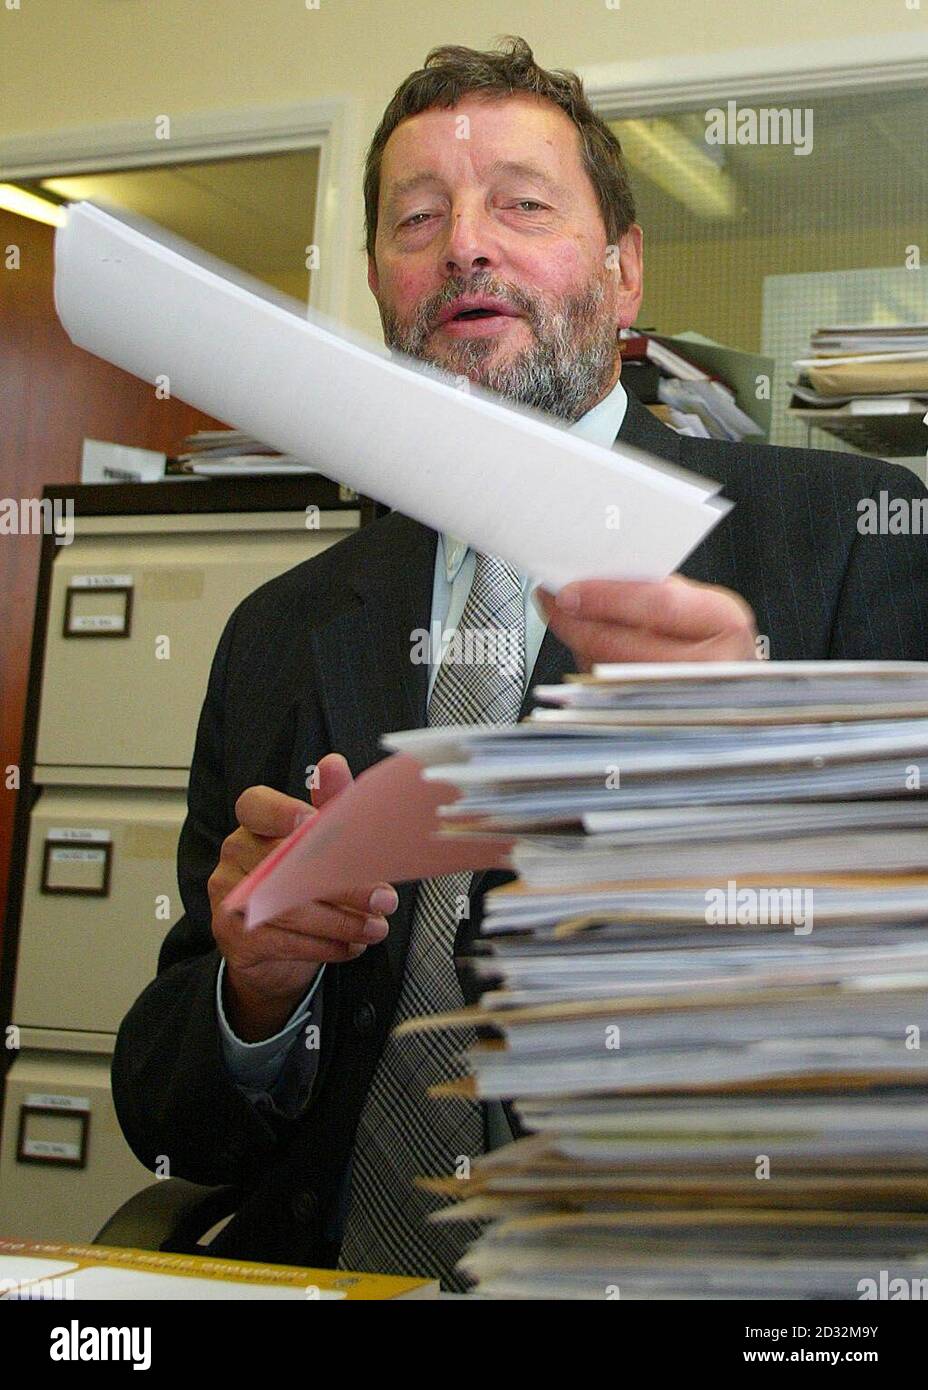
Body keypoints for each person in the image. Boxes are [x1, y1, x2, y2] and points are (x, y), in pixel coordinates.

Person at [112, 37, 928, 1290]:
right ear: (384, 286)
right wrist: (253, 993)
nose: (464, 248)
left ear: (625, 267)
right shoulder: (281, 631)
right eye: (417, 219)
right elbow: (170, 1122)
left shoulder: (849, 543)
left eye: (522, 205)